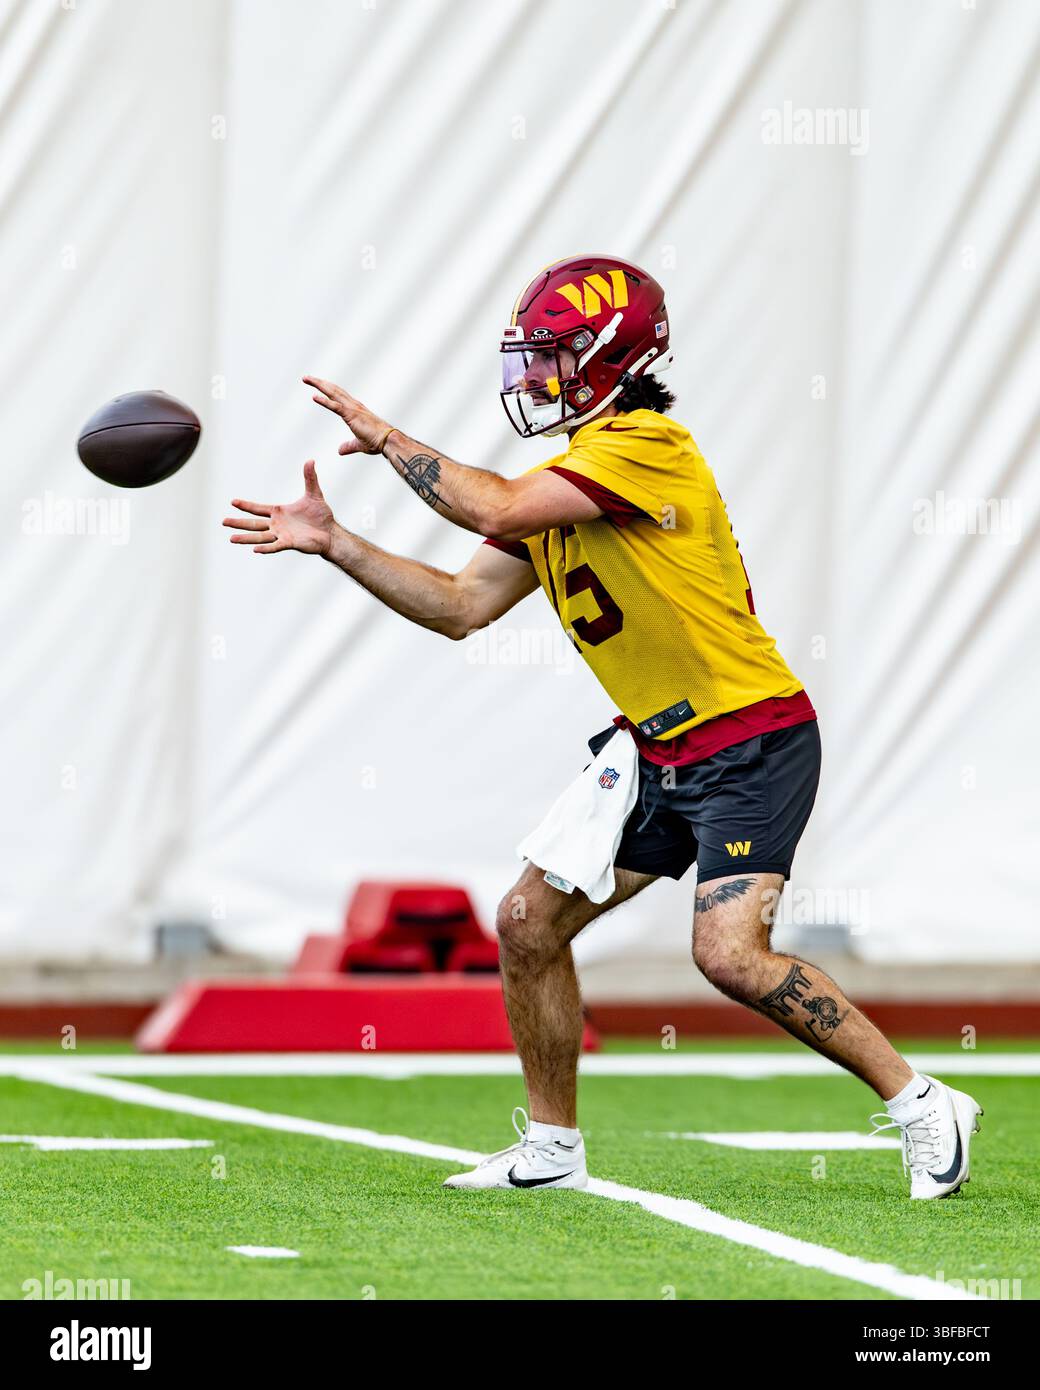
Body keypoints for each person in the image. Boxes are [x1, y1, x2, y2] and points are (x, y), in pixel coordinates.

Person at [225, 255, 981, 1199]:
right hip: (656, 748)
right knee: (525, 923)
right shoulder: (562, 481)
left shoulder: (646, 443)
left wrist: (384, 439)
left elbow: (493, 501)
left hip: (748, 736)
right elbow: (461, 606)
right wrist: (338, 544)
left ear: (610, 357)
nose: (535, 377)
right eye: (532, 359)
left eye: (553, 357)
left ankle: (921, 1101)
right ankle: (551, 1150)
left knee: (729, 957)